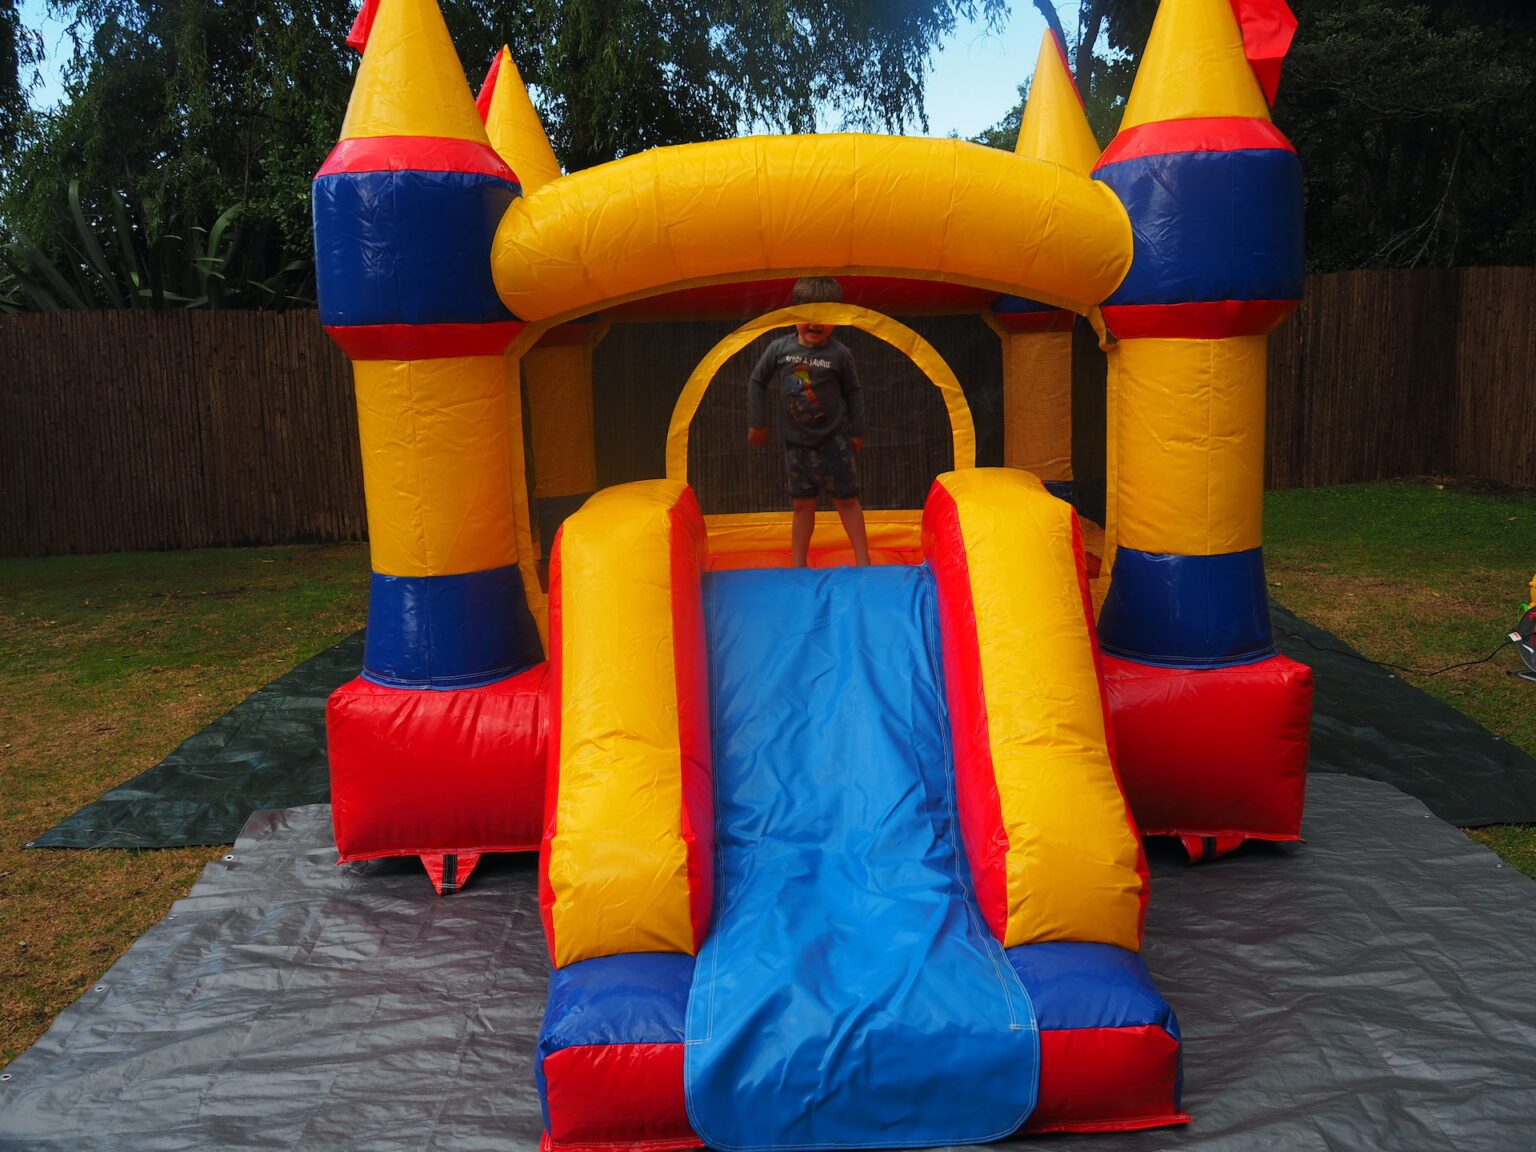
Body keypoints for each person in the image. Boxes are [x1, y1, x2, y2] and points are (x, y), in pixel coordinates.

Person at [747, 277, 870, 567]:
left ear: (836, 319)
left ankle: (863, 559)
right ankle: (798, 563)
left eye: (825, 318)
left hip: (834, 441)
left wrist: (857, 431)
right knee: (802, 504)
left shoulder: (839, 354)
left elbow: (854, 391)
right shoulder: (779, 349)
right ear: (794, 315)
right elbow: (757, 380)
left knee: (847, 499)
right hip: (797, 444)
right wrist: (757, 422)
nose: (816, 324)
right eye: (808, 317)